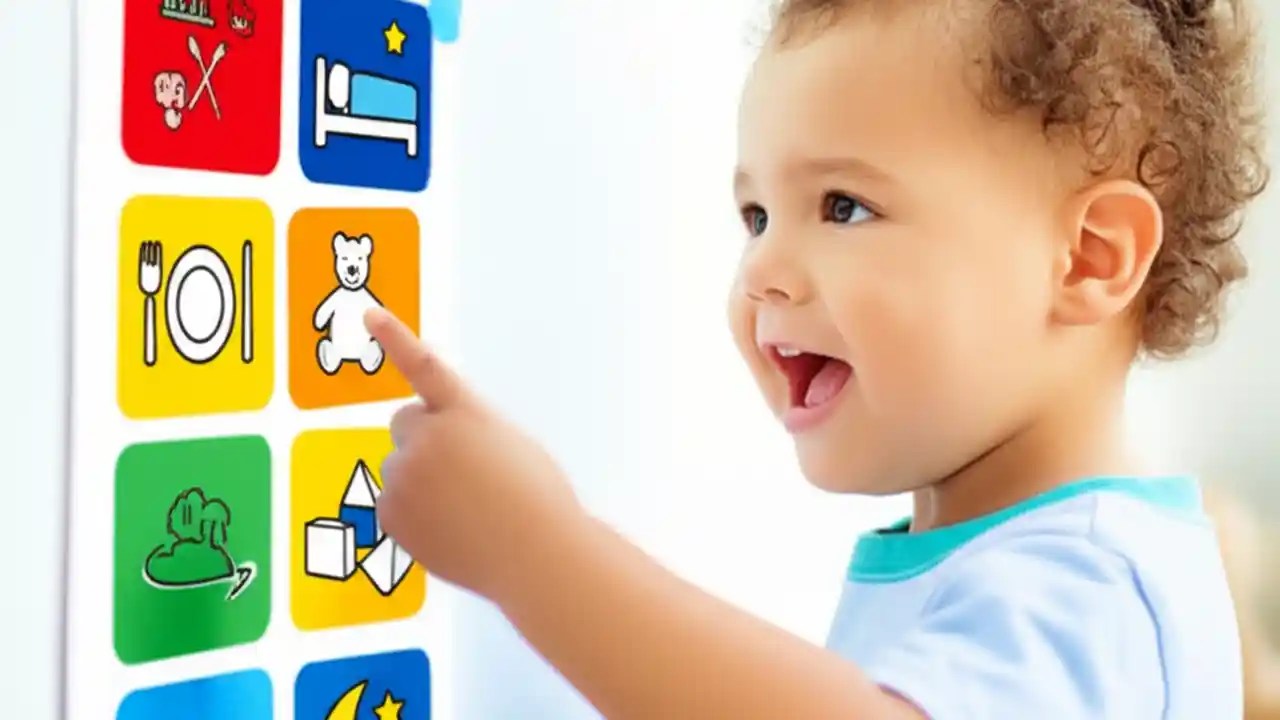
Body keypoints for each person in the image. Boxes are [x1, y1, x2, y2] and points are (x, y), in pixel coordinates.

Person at [363, 0, 1270, 716]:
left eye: (843, 206)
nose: (760, 270)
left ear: (1088, 258)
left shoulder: (1091, 584)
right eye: (755, 216)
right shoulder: (1023, 559)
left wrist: (533, 554)